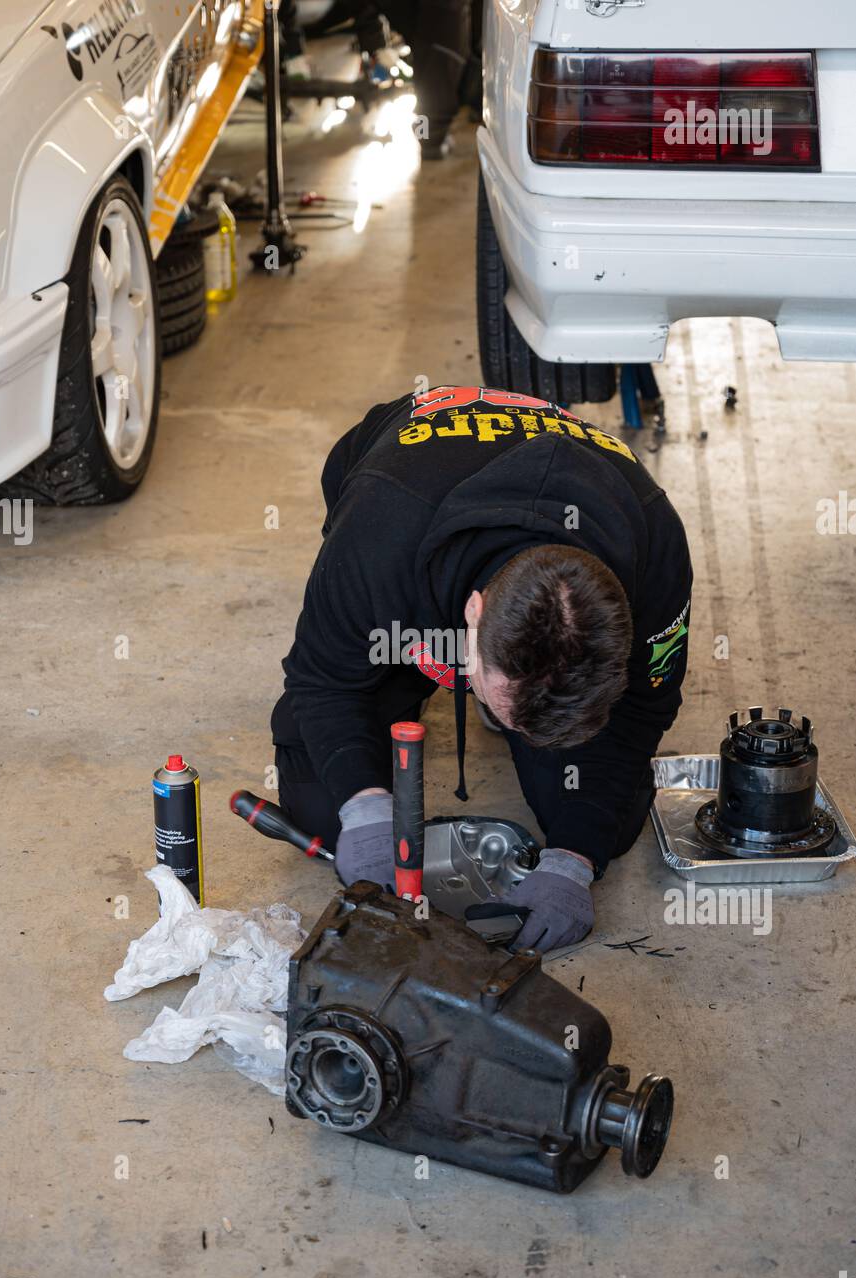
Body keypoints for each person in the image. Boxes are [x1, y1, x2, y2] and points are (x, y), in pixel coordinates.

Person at [271, 385, 692, 954]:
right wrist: (366, 805)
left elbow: (645, 707)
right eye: (506, 705)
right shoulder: (376, 539)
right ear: (473, 615)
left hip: (519, 544)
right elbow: (323, 680)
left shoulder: (657, 549)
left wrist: (574, 858)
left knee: (603, 828)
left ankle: (524, 732)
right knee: (327, 812)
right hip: (410, 494)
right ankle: (417, 684)